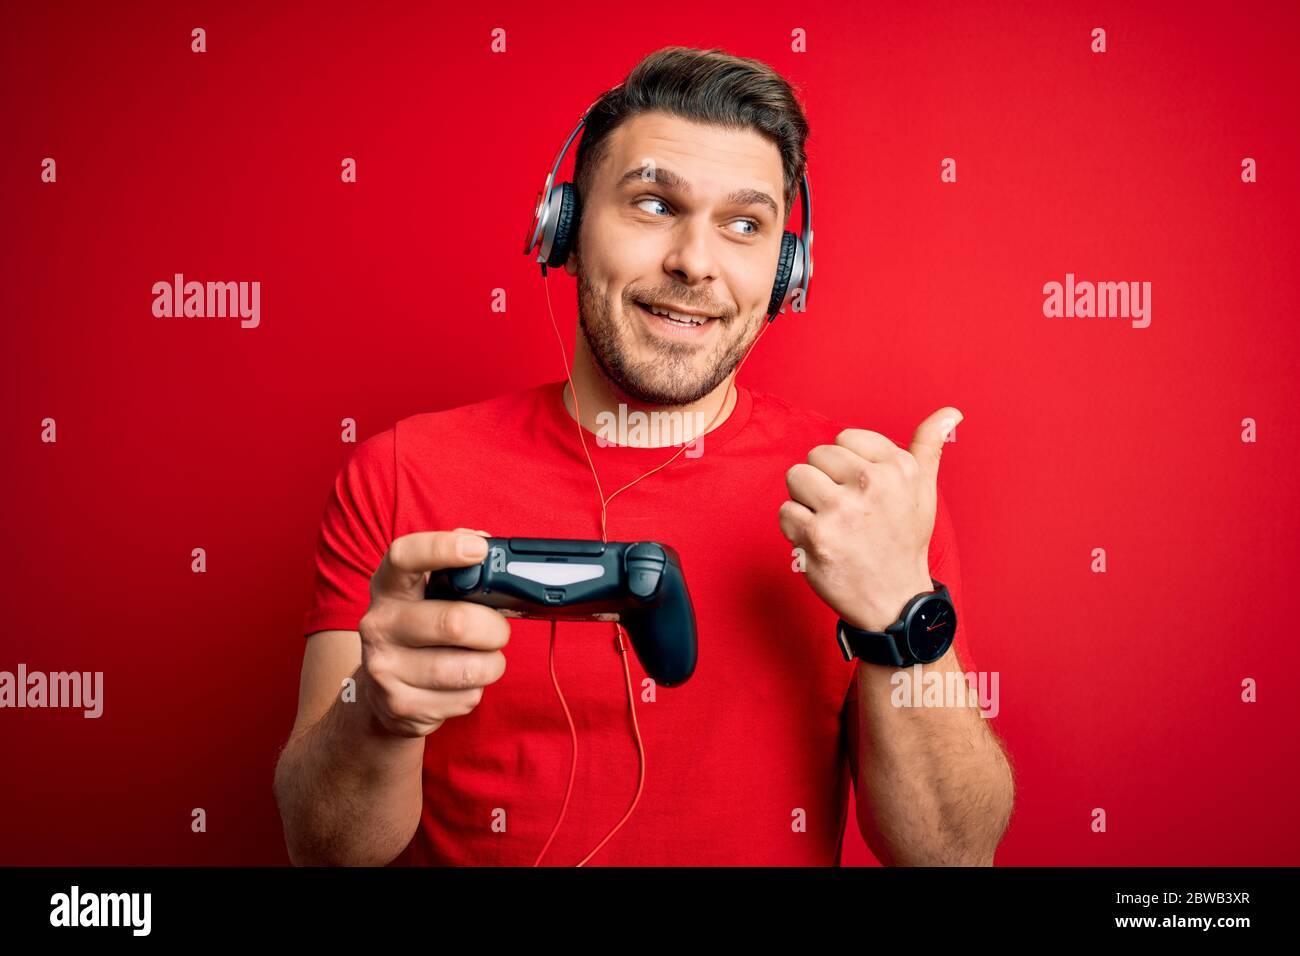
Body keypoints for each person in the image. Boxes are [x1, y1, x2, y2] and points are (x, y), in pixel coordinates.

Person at [272, 45, 1014, 867]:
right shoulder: (401, 472)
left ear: (785, 271)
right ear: (563, 227)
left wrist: (901, 613)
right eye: (655, 204)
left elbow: (953, 857)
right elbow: (322, 849)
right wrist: (375, 713)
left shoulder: (867, 502)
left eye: (744, 224)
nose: (695, 262)